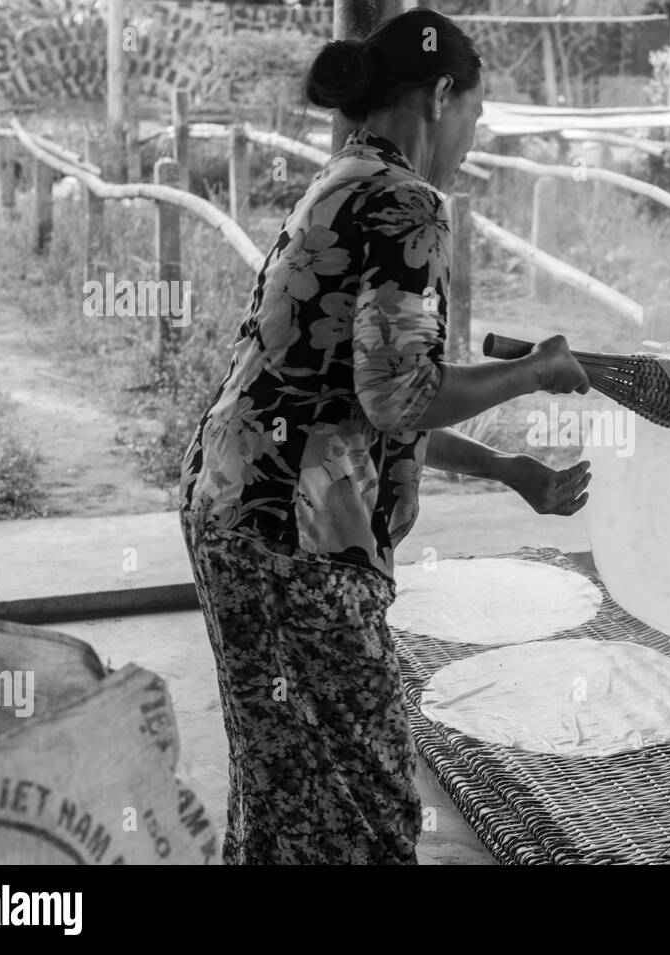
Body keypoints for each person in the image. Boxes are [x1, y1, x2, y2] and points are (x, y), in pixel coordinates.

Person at [178, 8, 590, 865]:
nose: (472, 140)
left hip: (237, 509)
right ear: (440, 95)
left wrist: (504, 467)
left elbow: (355, 399)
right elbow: (402, 396)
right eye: (475, 114)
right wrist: (534, 371)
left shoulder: (345, 178)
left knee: (285, 787)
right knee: (371, 807)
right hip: (295, 538)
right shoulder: (408, 200)